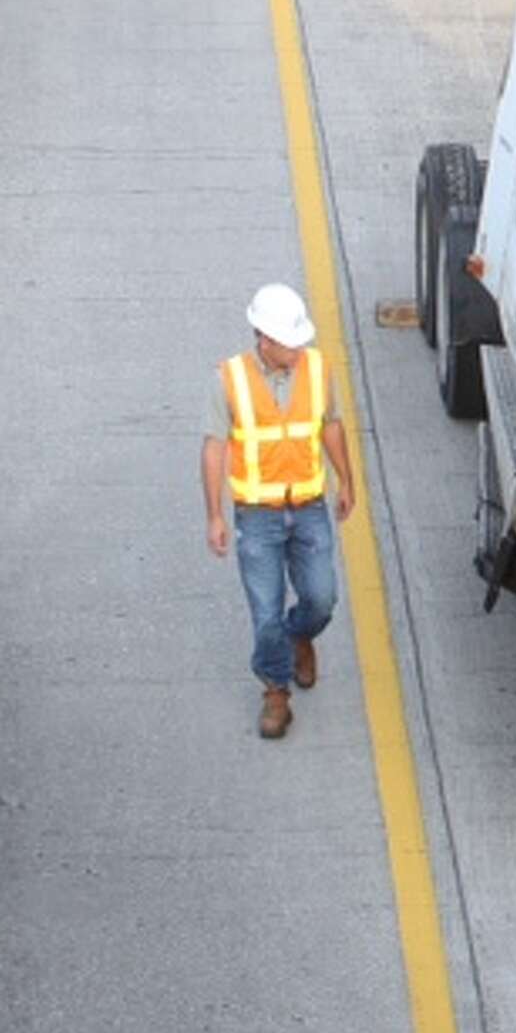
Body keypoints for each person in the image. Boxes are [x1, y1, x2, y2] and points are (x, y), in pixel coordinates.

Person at [201, 284, 356, 740]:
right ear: (263, 339)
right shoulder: (228, 380)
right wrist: (215, 515)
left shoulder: (317, 370)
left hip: (309, 508)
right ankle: (275, 691)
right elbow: (213, 450)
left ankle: (299, 636)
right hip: (258, 517)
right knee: (265, 611)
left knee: (321, 599)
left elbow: (330, 426)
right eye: (290, 340)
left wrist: (346, 479)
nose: (299, 347)